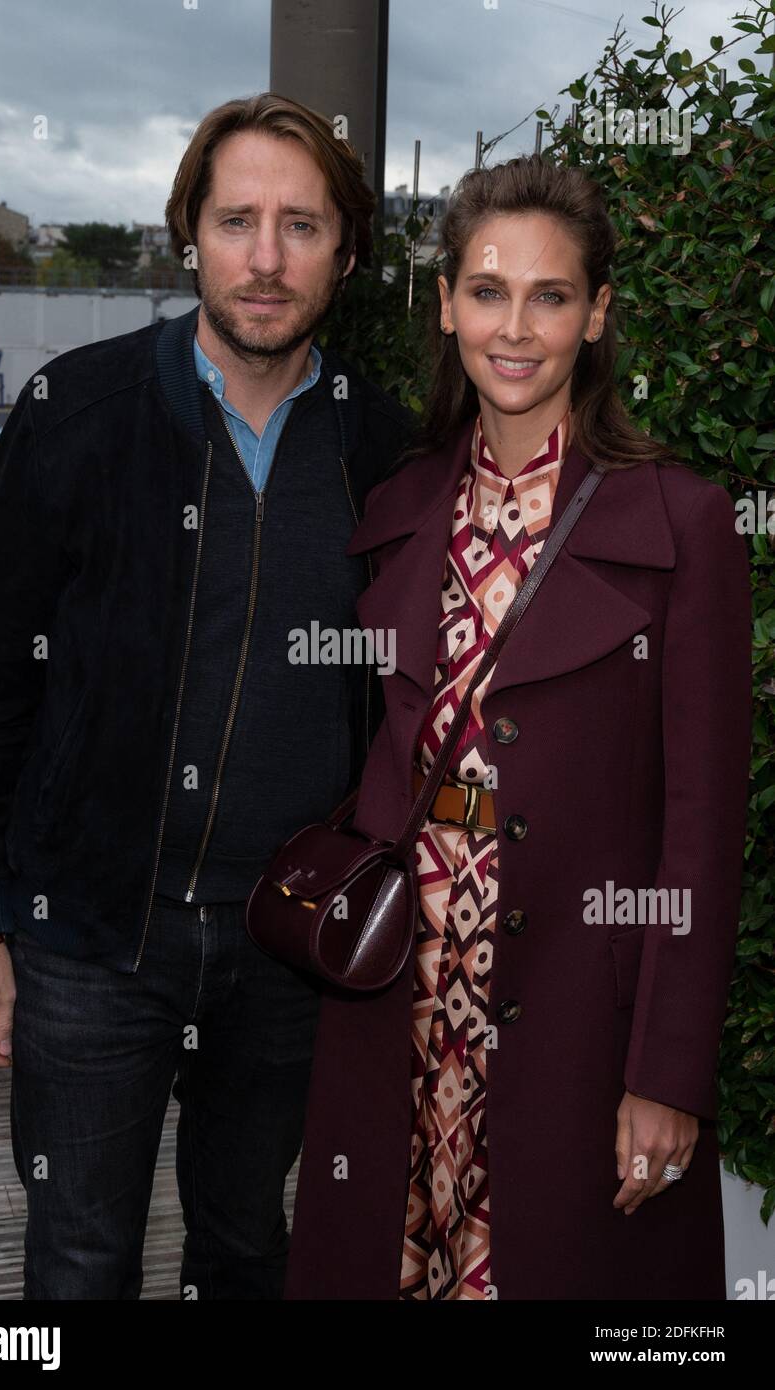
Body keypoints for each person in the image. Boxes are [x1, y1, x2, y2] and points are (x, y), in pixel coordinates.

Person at [0, 92, 413, 1300]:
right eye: (237, 219)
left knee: (247, 1252)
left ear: (345, 254)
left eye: (300, 226)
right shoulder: (75, 417)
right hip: (91, 936)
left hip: (286, 946)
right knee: (79, 1264)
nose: (265, 258)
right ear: (186, 233)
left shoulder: (383, 450)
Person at [283, 154, 752, 1301]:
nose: (514, 326)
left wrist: (666, 1073)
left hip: (575, 1032)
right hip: (397, 1013)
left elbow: (697, 833)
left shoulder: (682, 525)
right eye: (487, 290)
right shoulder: (394, 508)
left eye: (549, 296)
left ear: (595, 316)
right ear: (444, 306)